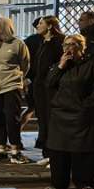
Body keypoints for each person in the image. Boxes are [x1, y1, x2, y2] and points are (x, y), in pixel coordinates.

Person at [43, 34, 94, 189]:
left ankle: (85, 183)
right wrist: (61, 66)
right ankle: (58, 182)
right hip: (60, 114)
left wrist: (86, 106)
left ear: (81, 47)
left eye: (73, 44)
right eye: (66, 45)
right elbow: (49, 84)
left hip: (81, 115)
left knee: (82, 151)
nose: (68, 48)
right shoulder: (59, 66)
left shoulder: (90, 65)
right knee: (58, 149)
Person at [0, 18, 29, 163]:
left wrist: (18, 78)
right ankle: (1, 149)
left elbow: (25, 64)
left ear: (5, 27)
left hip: (11, 86)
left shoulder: (18, 44)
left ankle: (15, 150)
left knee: (12, 118)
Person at [27, 16, 64, 159]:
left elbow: (56, 65)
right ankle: (46, 152)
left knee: (50, 119)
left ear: (49, 26)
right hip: (39, 86)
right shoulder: (43, 42)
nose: (38, 26)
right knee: (42, 118)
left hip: (50, 87)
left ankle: (52, 153)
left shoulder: (57, 42)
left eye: (41, 23)